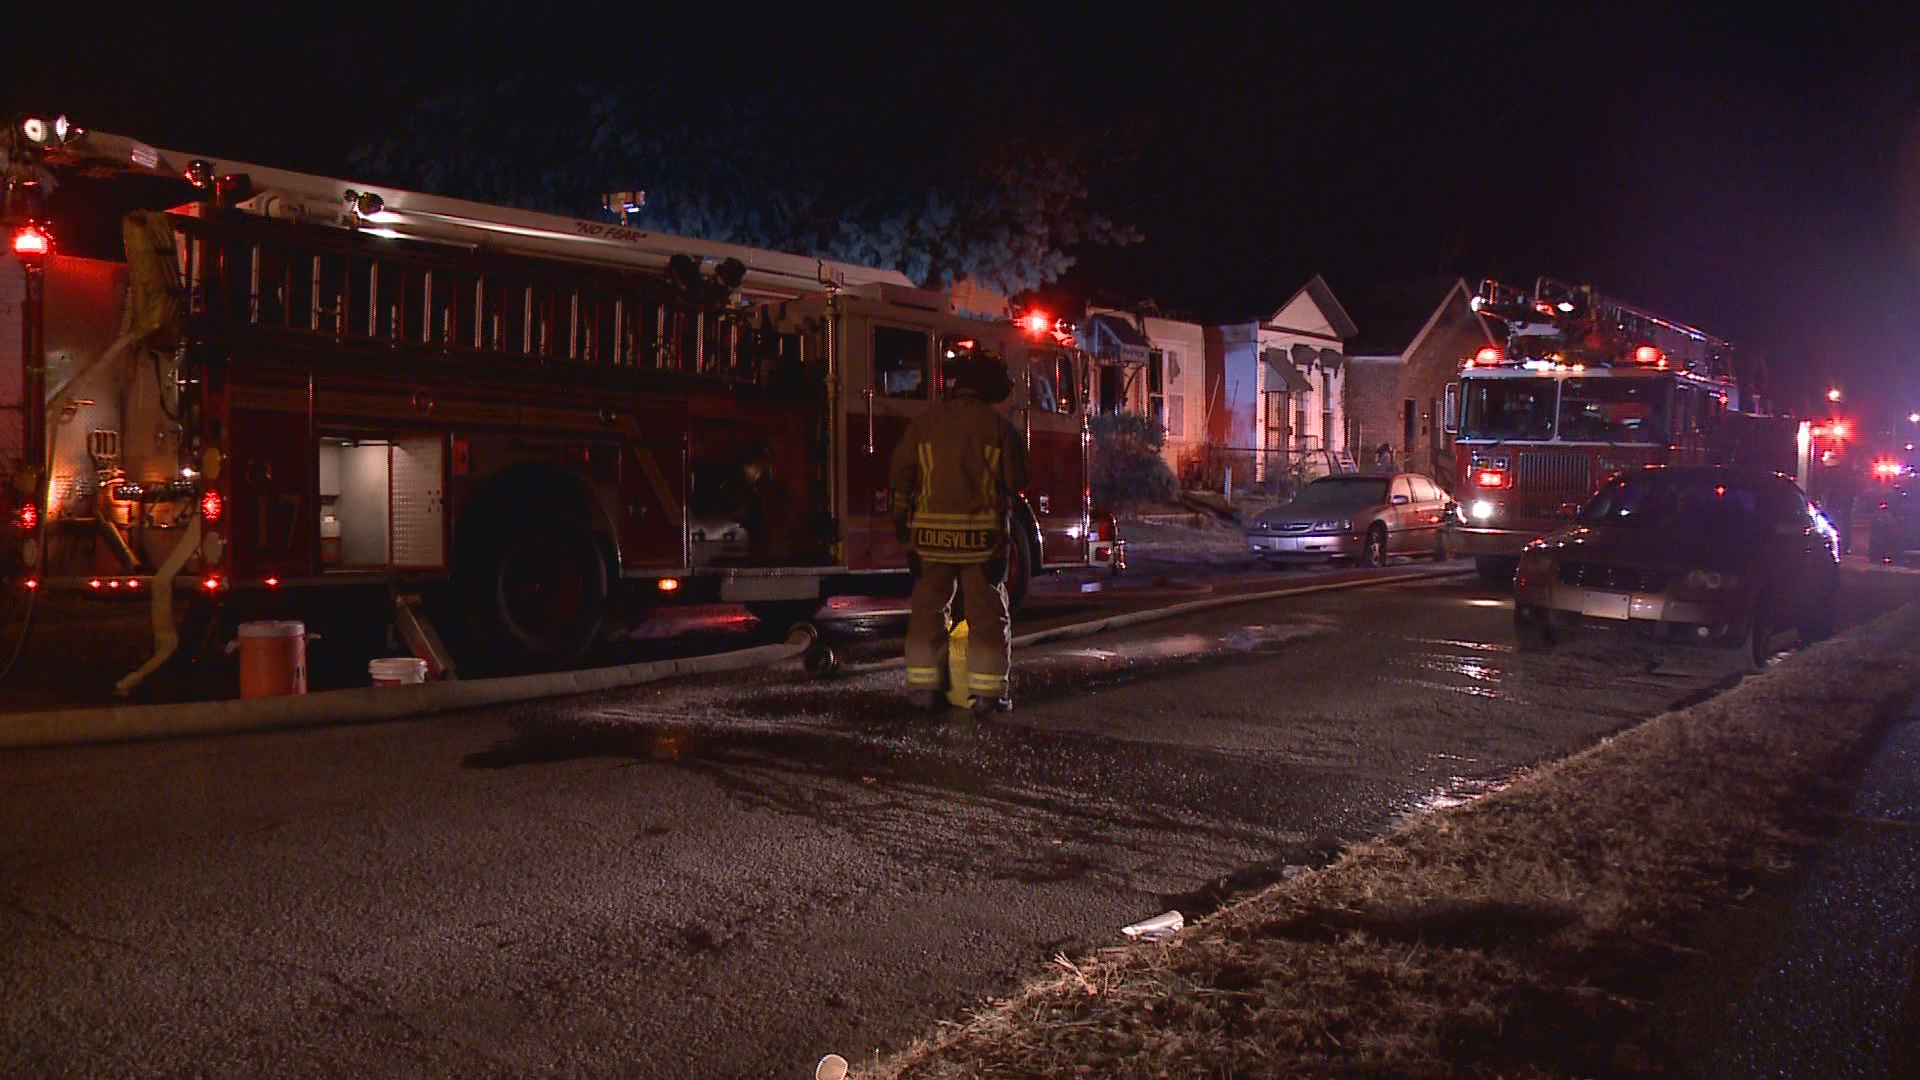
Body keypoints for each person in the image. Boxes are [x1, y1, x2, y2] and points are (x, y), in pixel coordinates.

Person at [888, 348, 1032, 715]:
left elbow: (900, 474)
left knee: (927, 612)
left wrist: (902, 519)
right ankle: (987, 695)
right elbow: (1019, 480)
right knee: (987, 616)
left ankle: (924, 690)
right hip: (981, 541)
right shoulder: (999, 428)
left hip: (929, 540)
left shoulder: (925, 423)